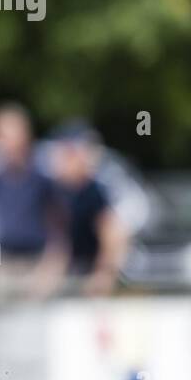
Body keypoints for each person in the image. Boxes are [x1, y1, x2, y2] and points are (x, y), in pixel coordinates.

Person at [0, 103, 66, 299]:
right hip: (5, 259)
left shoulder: (42, 180)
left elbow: (58, 228)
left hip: (37, 259)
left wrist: (51, 265)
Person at [49, 121, 128, 296]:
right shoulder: (58, 192)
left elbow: (114, 237)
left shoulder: (94, 192)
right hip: (69, 276)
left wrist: (103, 274)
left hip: (88, 277)